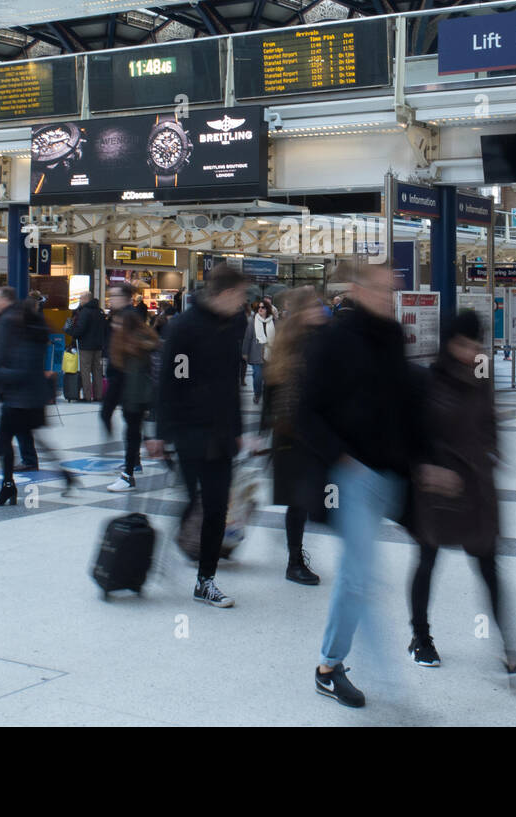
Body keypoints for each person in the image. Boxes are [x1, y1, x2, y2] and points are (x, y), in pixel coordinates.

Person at [305, 262, 424, 708]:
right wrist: (341, 458)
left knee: (366, 576)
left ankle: (346, 667)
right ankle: (334, 668)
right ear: (356, 290)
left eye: (392, 290)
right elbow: (307, 411)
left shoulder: (392, 337)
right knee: (359, 578)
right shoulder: (333, 340)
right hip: (351, 476)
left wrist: (421, 461)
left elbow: (403, 403)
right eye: (379, 289)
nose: (387, 297)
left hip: (392, 473)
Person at [407, 310, 516, 675]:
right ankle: (420, 637)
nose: (472, 350)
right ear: (448, 344)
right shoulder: (429, 380)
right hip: (439, 488)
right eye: (464, 343)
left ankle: (510, 647)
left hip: (476, 486)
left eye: (476, 342)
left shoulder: (482, 371)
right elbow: (414, 436)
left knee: (489, 566)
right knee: (427, 560)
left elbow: (489, 417)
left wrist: (494, 450)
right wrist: (427, 469)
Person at [156, 262, 249, 609]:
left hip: (222, 434)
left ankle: (205, 580)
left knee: (215, 507)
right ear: (224, 294)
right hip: (190, 431)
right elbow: (169, 381)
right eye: (239, 295)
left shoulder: (233, 325)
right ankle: (184, 548)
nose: (242, 303)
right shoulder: (184, 328)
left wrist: (238, 430)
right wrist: (161, 434)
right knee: (197, 499)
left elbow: (231, 384)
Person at [261, 287, 324, 585]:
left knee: (310, 498)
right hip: (292, 435)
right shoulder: (296, 343)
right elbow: (274, 389)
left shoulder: (310, 340)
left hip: (306, 434)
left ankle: (295, 555)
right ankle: (294, 560)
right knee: (298, 501)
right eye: (313, 307)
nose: (319, 311)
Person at [0, 287, 70, 506]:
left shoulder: (9, 323)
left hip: (17, 394)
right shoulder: (35, 326)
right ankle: (66, 475)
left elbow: (5, 357)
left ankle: (8, 487)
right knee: (33, 436)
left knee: (5, 440)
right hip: (34, 393)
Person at [104, 298, 161, 492]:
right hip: (143, 398)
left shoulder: (131, 347)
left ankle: (128, 474)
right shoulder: (143, 342)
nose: (115, 325)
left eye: (118, 322)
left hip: (137, 399)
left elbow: (129, 378)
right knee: (139, 436)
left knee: (136, 436)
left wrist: (112, 407)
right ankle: (129, 472)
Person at [100, 285, 136, 434]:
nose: (111, 299)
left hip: (125, 372)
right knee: (113, 412)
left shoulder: (129, 316)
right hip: (118, 371)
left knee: (130, 417)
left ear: (124, 298)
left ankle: (132, 454)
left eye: (114, 296)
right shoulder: (117, 315)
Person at [68, 290, 106, 403]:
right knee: (97, 371)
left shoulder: (85, 312)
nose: (80, 300)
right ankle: (98, 396)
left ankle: (87, 396)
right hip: (98, 346)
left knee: (85, 371)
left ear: (86, 299)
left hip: (86, 346)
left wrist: (70, 331)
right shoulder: (100, 311)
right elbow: (105, 329)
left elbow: (80, 329)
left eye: (81, 298)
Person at [243, 296, 275, 405]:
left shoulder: (273, 321)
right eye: (259, 307)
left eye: (263, 307)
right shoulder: (253, 321)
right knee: (257, 376)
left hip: (270, 354)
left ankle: (267, 396)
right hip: (256, 353)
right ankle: (257, 393)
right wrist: (245, 352)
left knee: (268, 378)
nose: (260, 309)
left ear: (267, 309)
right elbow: (247, 337)